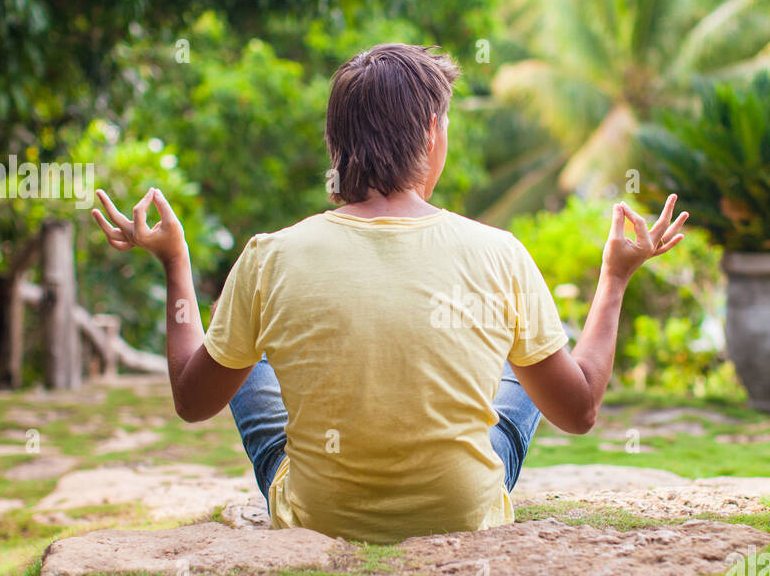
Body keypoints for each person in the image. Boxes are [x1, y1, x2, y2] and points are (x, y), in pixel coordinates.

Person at [92, 43, 687, 543]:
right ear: (432, 134)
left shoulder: (270, 255)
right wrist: (615, 278)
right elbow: (578, 411)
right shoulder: (500, 252)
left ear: (336, 142)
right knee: (524, 354)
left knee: (240, 350)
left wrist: (175, 261)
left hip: (319, 517)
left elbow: (192, 401)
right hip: (460, 513)